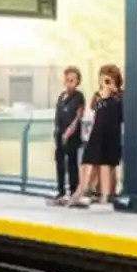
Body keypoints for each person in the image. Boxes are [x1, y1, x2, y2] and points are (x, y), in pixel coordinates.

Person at [67, 64, 124, 208]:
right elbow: (94, 112)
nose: (105, 83)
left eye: (109, 80)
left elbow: (122, 115)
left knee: (106, 164)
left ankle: (105, 195)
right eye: (104, 79)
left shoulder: (119, 96)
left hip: (111, 134)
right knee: (87, 161)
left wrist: (113, 91)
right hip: (97, 133)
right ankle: (81, 191)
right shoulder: (98, 96)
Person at [49, 66, 85, 205]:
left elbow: (78, 116)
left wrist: (69, 132)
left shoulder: (79, 97)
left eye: (72, 80)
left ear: (77, 82)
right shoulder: (61, 96)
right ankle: (61, 191)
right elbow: (58, 115)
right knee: (59, 163)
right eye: (67, 80)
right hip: (59, 134)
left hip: (71, 136)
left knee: (71, 163)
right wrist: (58, 132)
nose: (69, 83)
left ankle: (73, 191)